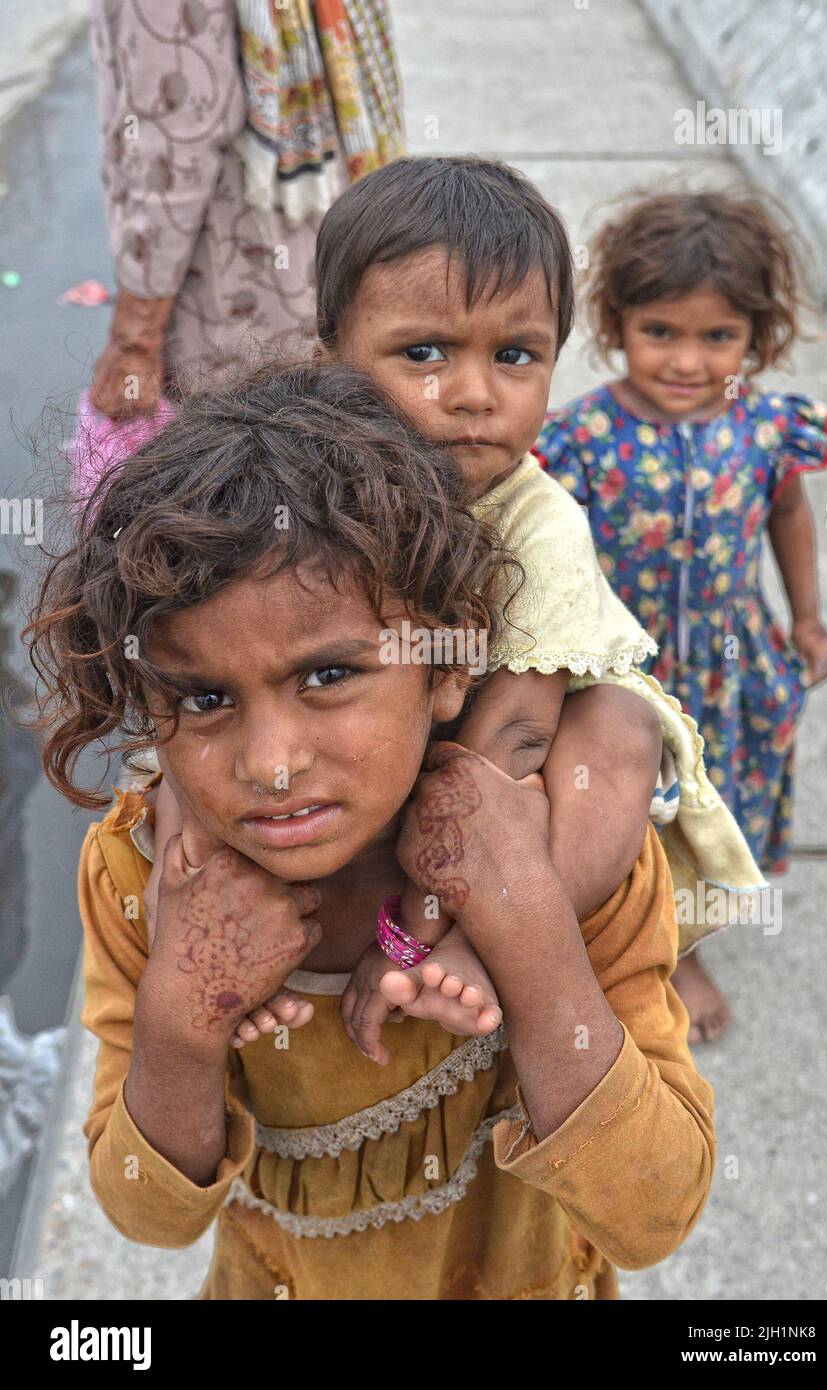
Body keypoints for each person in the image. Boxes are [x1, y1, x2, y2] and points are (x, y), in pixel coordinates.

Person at [25, 360, 714, 1300]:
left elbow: (656, 1213)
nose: (271, 763)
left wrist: (530, 937)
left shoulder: (551, 845)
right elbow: (149, 1218)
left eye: (328, 677)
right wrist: (181, 1024)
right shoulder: (147, 879)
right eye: (206, 697)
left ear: (445, 662)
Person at [146, 157, 766, 1063]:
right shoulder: (308, 488)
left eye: (514, 355)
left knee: (623, 732)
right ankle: (186, 928)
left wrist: (418, 926)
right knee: (177, 754)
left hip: (505, 753)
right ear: (331, 360)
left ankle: (497, 944)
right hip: (372, 726)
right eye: (423, 353)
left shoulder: (538, 524)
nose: (473, 393)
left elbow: (509, 742)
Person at [534, 189, 827, 1043]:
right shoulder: (583, 439)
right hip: (630, 674)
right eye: (660, 331)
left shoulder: (768, 430)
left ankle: (692, 921)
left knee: (722, 799)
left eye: (719, 337)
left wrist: (806, 618)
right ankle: (670, 950)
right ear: (616, 321)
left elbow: (786, 515)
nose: (687, 361)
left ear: (757, 338)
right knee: (642, 804)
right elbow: (546, 548)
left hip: (732, 667)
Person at [88, 0, 404, 418]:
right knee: (316, 431)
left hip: (240, 279)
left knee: (248, 447)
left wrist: (135, 341)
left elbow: (174, 144)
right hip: (326, 245)